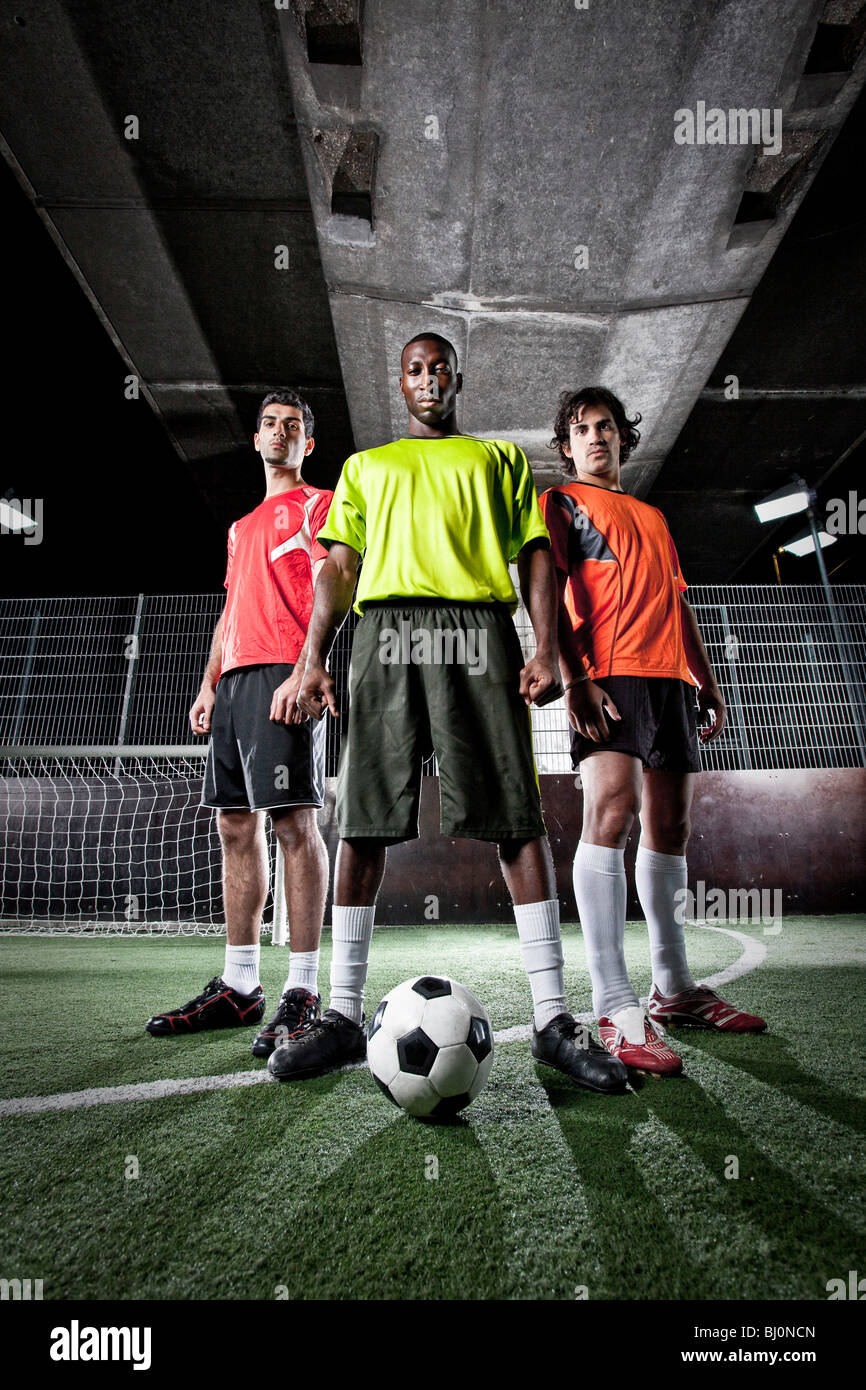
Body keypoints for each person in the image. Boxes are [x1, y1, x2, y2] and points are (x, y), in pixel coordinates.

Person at [267, 334, 628, 1093]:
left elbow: (535, 552)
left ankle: (555, 1020)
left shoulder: (497, 460)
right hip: (387, 634)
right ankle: (339, 1014)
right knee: (363, 818)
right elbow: (338, 566)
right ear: (399, 384)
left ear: (456, 379)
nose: (427, 379)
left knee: (515, 818)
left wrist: (545, 648)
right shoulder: (366, 468)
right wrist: (312, 657)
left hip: (476, 633)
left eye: (438, 368)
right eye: (413, 369)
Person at [540, 386, 766, 1076]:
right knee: (611, 812)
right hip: (606, 674)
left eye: (607, 427)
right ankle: (614, 1003)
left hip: (669, 680)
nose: (597, 438)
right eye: (583, 430)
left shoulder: (654, 518)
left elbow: (680, 603)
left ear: (624, 439)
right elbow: (546, 589)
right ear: (567, 446)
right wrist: (572, 676)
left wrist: (707, 680)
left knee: (670, 830)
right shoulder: (561, 503)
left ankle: (673, 991)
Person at [145, 390, 332, 1056]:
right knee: (233, 824)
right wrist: (207, 684)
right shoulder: (240, 527)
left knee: (294, 822)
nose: (280, 433)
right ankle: (241, 984)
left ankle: (304, 990)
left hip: (286, 672)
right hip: (235, 682)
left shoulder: (322, 506)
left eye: (294, 426)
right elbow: (231, 611)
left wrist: (310, 669)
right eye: (270, 424)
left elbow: (337, 591)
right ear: (256, 440)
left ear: (308, 444)